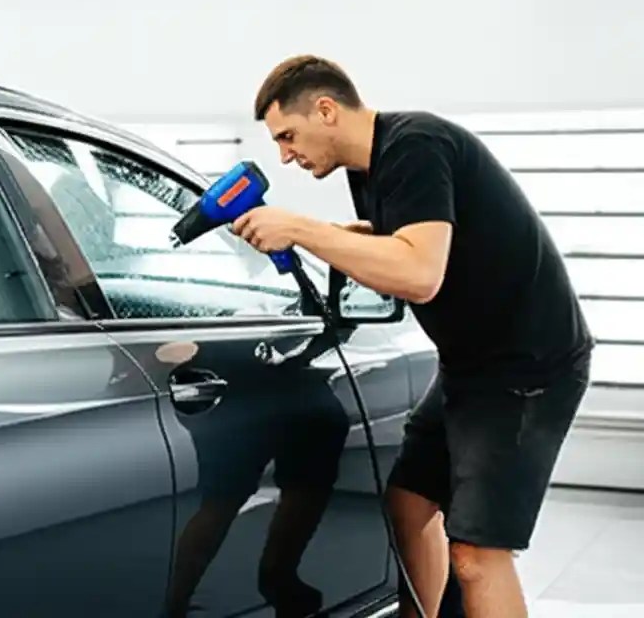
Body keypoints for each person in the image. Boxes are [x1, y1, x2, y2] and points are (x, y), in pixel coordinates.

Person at [230, 55, 594, 618]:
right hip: (469, 364)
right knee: (409, 503)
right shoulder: (369, 166)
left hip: (527, 369)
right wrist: (342, 237)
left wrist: (302, 226)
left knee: (476, 553)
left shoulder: (415, 144)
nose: (285, 155)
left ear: (326, 109)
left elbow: (419, 273)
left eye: (288, 136)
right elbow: (421, 234)